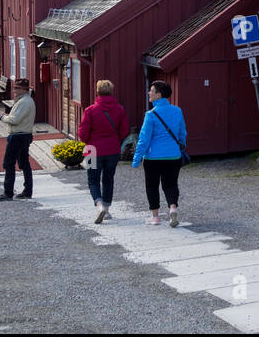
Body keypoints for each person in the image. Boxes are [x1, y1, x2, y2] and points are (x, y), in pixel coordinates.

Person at [131, 80, 186, 226]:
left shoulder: (151, 114)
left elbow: (144, 139)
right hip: (173, 156)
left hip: (153, 157)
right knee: (171, 184)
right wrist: (181, 146)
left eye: (152, 91)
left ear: (159, 95)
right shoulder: (177, 111)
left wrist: (136, 160)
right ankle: (173, 208)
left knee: (152, 185)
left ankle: (155, 217)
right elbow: (182, 133)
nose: (149, 93)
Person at [79, 79, 129, 224]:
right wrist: (116, 140)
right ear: (111, 91)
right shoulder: (119, 109)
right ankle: (106, 210)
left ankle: (99, 204)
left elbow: (83, 133)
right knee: (108, 179)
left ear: (97, 91)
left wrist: (88, 141)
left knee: (93, 179)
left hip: (93, 149)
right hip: (113, 149)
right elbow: (124, 130)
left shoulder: (90, 110)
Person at [0, 78, 35, 202]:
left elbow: (14, 119)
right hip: (24, 135)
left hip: (18, 136)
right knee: (24, 163)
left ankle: (8, 193)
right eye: (14, 87)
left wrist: (2, 117)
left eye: (17, 88)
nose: (14, 89)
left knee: (9, 163)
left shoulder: (24, 102)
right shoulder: (25, 100)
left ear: (24, 89)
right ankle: (27, 191)